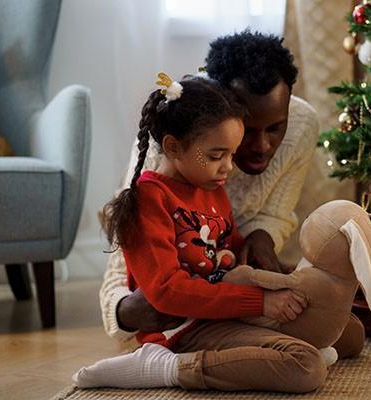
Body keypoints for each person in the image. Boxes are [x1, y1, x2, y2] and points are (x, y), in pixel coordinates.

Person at [99, 31, 365, 357]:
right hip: (186, 304)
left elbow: (274, 214)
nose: (261, 146)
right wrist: (123, 312)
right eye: (247, 131)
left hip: (227, 276)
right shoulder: (174, 140)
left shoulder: (298, 126)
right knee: (298, 358)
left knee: (347, 334)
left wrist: (263, 242)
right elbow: (131, 247)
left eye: (275, 129)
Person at [73, 75, 327, 392]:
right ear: (173, 147)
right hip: (182, 328)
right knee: (305, 365)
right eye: (216, 156)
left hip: (220, 313)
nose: (228, 168)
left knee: (347, 334)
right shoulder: (149, 199)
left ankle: (262, 351)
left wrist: (284, 280)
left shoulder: (209, 188)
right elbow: (167, 292)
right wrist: (260, 303)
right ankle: (166, 368)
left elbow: (230, 255)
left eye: (232, 155)